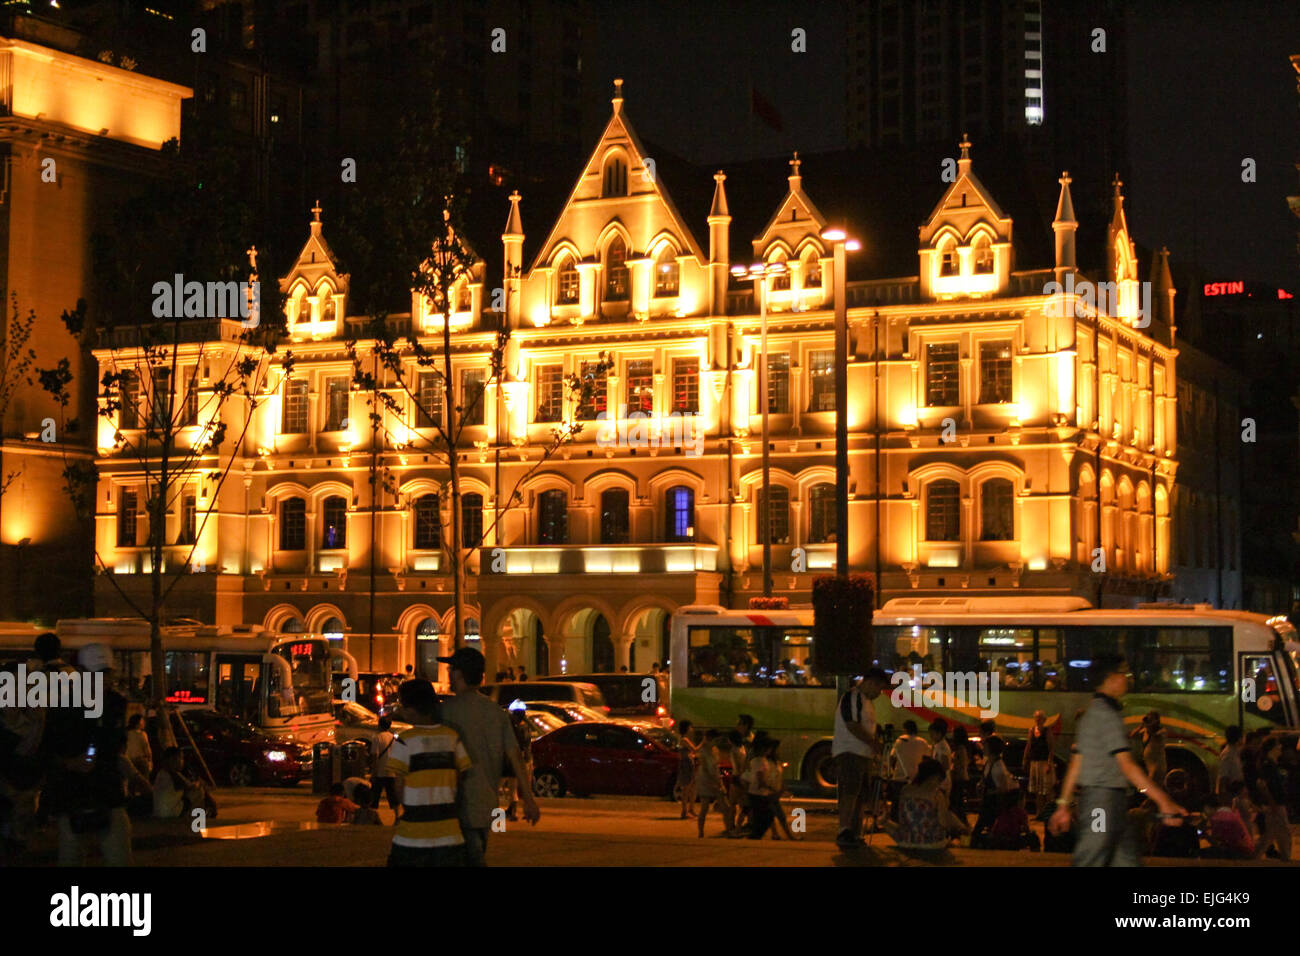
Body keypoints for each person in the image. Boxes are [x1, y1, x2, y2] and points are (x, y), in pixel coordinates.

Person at [1049, 654, 1186, 866]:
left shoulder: (1094, 714)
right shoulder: (1105, 716)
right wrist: (1163, 801)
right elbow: (1127, 765)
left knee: (1125, 860)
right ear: (1111, 678)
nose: (1128, 678)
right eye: (1124, 672)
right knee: (1093, 857)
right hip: (1101, 805)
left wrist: (1062, 805)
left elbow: (1076, 764)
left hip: (1108, 802)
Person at [437, 648, 540, 866]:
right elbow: (515, 757)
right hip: (486, 805)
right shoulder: (496, 713)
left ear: (458, 674)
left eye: (450, 668)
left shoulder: (445, 712)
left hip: (452, 805)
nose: (448, 673)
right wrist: (528, 800)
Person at [44, 643, 133, 866]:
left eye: (107, 674)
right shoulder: (63, 705)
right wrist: (70, 762)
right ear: (81, 673)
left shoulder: (116, 703)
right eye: (97, 675)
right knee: (71, 855)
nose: (104, 681)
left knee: (119, 857)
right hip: (73, 793)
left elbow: (119, 742)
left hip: (108, 791)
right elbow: (47, 748)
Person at [387, 678, 472, 867]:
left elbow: (399, 784)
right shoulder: (451, 736)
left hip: (412, 835)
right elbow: (462, 773)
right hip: (450, 834)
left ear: (409, 709)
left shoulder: (405, 740)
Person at [831, 668, 888, 848]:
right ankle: (844, 829)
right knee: (850, 792)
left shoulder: (867, 702)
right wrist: (873, 743)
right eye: (879, 689)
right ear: (871, 682)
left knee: (861, 795)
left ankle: (855, 832)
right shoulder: (852, 697)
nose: (879, 694)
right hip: (850, 752)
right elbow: (852, 724)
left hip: (863, 754)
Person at [887, 757, 969, 851]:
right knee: (954, 833)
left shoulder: (905, 790)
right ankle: (964, 829)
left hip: (906, 841)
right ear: (935, 777)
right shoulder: (936, 794)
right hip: (931, 843)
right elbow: (944, 822)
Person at [971, 736, 1016, 845]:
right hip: (988, 803)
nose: (983, 748)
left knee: (979, 833)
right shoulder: (990, 763)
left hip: (993, 805)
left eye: (985, 746)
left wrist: (988, 791)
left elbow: (1003, 789)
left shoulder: (998, 767)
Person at [1253, 736, 1291, 860]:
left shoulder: (1271, 764)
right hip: (1274, 804)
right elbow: (1262, 785)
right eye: (1278, 745)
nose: (1280, 747)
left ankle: (1254, 855)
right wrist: (1272, 802)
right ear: (1272, 748)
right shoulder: (1267, 765)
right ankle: (1286, 858)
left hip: (1274, 803)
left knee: (1271, 833)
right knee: (1282, 832)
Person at [152, 747, 215, 821]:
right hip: (169, 813)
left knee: (193, 792)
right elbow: (190, 786)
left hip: (160, 812)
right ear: (172, 759)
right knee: (199, 792)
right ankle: (196, 820)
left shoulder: (162, 773)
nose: (183, 762)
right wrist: (199, 783)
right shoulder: (173, 774)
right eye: (181, 758)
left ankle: (195, 816)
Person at [888, 719, 932, 820]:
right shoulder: (923, 742)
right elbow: (927, 759)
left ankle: (895, 821)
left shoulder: (900, 741)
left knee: (897, 802)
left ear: (905, 729)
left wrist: (892, 770)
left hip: (900, 776)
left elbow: (892, 757)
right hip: (916, 777)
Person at [694, 730, 732, 837]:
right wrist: (717, 783)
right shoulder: (703, 751)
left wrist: (719, 781)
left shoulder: (714, 750)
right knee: (705, 807)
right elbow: (706, 768)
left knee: (725, 806)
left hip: (713, 779)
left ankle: (728, 829)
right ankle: (701, 832)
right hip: (707, 781)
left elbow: (716, 766)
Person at [745, 738, 780, 839]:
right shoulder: (760, 762)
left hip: (756, 792)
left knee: (760, 816)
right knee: (767, 815)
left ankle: (755, 835)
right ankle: (756, 835)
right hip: (758, 793)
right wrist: (770, 787)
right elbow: (760, 778)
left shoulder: (756, 760)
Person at [1023, 710, 1055, 816]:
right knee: (1037, 790)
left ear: (1044, 719)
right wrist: (1025, 759)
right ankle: (1039, 812)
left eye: (1039, 717)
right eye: (1036, 717)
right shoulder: (1031, 730)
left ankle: (1049, 813)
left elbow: (1051, 748)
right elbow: (1028, 745)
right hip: (1034, 762)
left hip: (1044, 762)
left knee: (1046, 790)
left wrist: (1049, 763)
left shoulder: (1047, 730)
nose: (1037, 719)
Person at [1203, 792, 1254, 859]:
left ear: (1207, 807)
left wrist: (1205, 835)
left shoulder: (1216, 818)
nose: (1204, 812)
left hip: (1240, 852)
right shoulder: (1227, 812)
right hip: (1247, 849)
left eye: (1204, 809)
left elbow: (1219, 844)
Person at [369, 715, 398, 815]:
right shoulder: (393, 738)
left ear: (379, 725)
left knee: (375, 796)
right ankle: (397, 816)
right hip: (391, 771)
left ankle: (372, 816)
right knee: (392, 795)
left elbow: (374, 756)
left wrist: (373, 772)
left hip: (380, 772)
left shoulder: (377, 738)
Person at [1131, 711, 1167, 783]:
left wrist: (1149, 726)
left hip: (1157, 766)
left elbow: (1156, 734)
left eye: (1151, 719)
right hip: (1149, 766)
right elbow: (1133, 735)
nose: (1149, 721)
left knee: (1153, 786)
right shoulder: (1145, 731)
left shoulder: (1161, 731)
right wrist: (1141, 726)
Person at [675, 720, 699, 819]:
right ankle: (684, 811)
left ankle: (691, 809)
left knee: (692, 788)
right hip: (686, 765)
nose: (691, 729)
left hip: (689, 764)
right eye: (690, 727)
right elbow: (695, 749)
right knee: (687, 788)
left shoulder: (685, 739)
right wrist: (704, 743)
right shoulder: (684, 739)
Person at [949, 724, 972, 819]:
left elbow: (961, 764)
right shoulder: (961, 748)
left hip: (959, 778)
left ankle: (961, 821)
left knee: (956, 802)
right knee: (957, 802)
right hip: (959, 778)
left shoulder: (961, 749)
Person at [1217, 725, 1245, 797]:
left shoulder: (1235, 751)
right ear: (1238, 738)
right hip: (1232, 793)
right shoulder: (1227, 754)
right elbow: (1223, 777)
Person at [928, 719, 952, 795]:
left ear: (939, 733)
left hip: (942, 781)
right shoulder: (937, 745)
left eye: (932, 734)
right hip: (939, 780)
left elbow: (945, 765)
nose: (931, 736)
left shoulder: (943, 747)